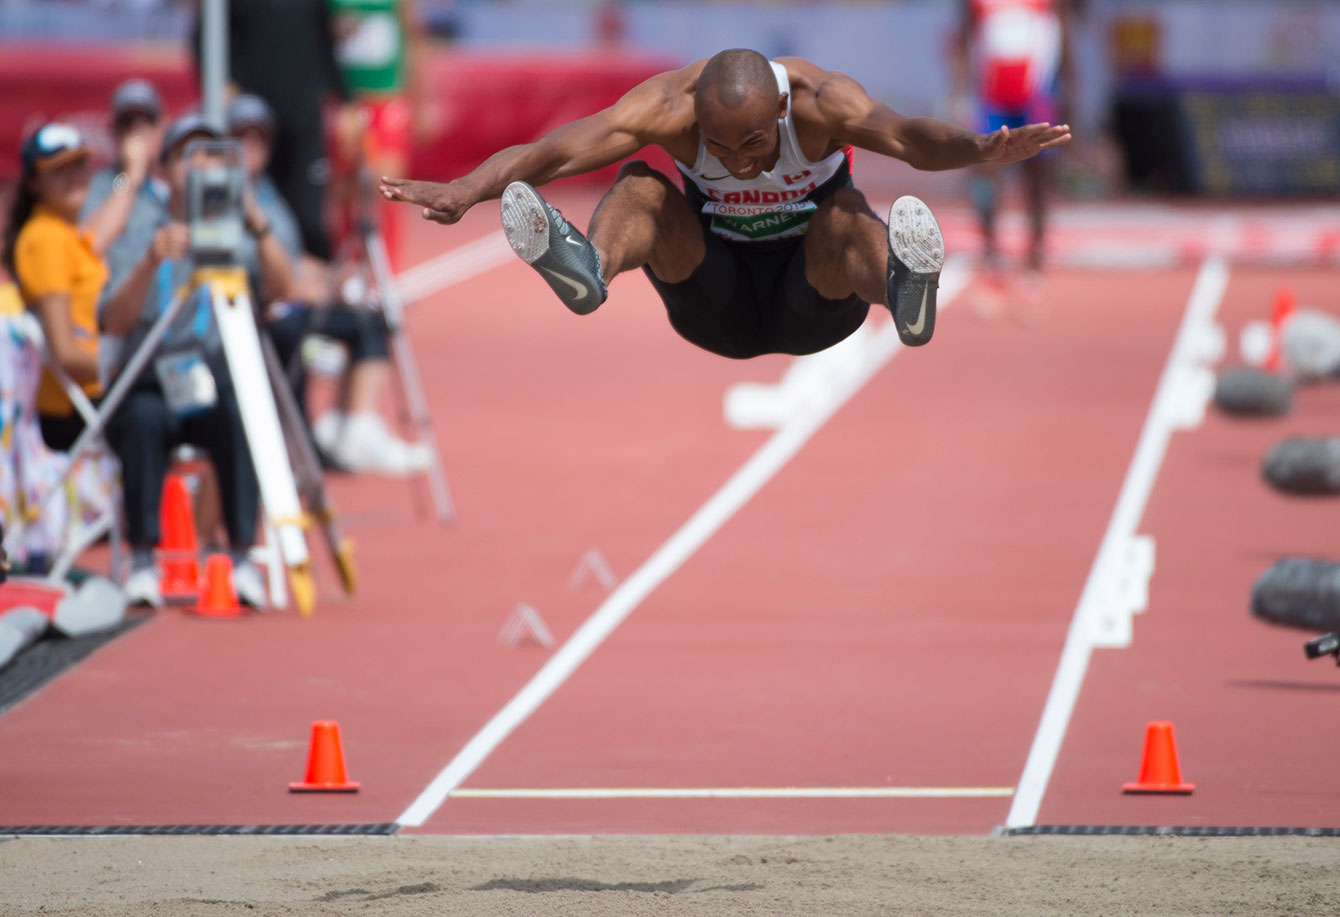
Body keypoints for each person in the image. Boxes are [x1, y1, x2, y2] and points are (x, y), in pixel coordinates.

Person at [381, 49, 1069, 360]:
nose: (740, 161)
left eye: (755, 143)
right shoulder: (668, 108)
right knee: (640, 187)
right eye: (721, 146)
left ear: (780, 107)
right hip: (715, 301)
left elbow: (909, 139)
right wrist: (467, 189)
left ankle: (904, 291)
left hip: (814, 300)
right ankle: (588, 269)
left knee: (845, 217)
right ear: (695, 121)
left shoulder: (820, 101)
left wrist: (982, 147)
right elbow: (557, 151)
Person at [98, 112, 293, 608]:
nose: (203, 164)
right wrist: (150, 260)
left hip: (210, 381)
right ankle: (143, 560)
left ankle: (243, 557)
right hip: (150, 375)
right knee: (141, 417)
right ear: (166, 169)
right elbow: (114, 321)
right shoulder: (139, 222)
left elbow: (286, 288)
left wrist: (254, 218)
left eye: (212, 153)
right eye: (190, 154)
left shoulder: (236, 220)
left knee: (243, 408)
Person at [228, 94, 429, 475]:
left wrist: (334, 279)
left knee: (370, 317)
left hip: (291, 297)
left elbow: (290, 256)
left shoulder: (268, 190)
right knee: (293, 331)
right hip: (264, 310)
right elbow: (259, 272)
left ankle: (353, 425)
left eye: (259, 139)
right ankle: (307, 436)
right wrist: (309, 287)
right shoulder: (228, 194)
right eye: (242, 138)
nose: (251, 148)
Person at [2, 122, 147, 452]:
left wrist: (131, 174)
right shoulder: (46, 239)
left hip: (84, 395)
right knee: (151, 415)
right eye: (58, 170)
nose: (73, 177)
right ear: (34, 182)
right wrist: (131, 370)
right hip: (72, 406)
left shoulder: (63, 231)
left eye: (79, 165)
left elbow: (103, 229)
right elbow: (65, 352)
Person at [954, 0, 1079, 273]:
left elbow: (1064, 35)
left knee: (1038, 172)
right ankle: (990, 248)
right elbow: (963, 39)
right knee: (986, 168)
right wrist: (960, 95)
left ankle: (1036, 250)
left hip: (1035, 96)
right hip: (992, 97)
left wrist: (1070, 90)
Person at [328, 0, 429, 272]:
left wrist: (419, 101)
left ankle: (384, 271)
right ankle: (347, 267)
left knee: (388, 182)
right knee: (344, 186)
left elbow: (412, 37)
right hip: (345, 99)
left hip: (387, 97)